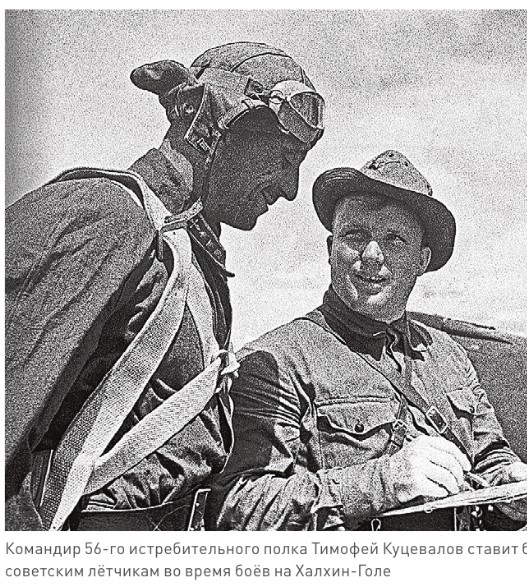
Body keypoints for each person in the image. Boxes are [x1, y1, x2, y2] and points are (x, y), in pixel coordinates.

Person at [5, 41, 325, 531]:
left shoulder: (185, 258)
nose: (290, 188)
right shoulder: (108, 218)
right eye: (284, 157)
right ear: (212, 127)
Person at [210, 150, 527, 530]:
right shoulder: (276, 361)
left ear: (421, 261)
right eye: (355, 235)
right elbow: (239, 508)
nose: (372, 255)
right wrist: (384, 482)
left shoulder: (449, 357)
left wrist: (510, 483)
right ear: (330, 249)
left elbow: (489, 457)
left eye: (394, 239)